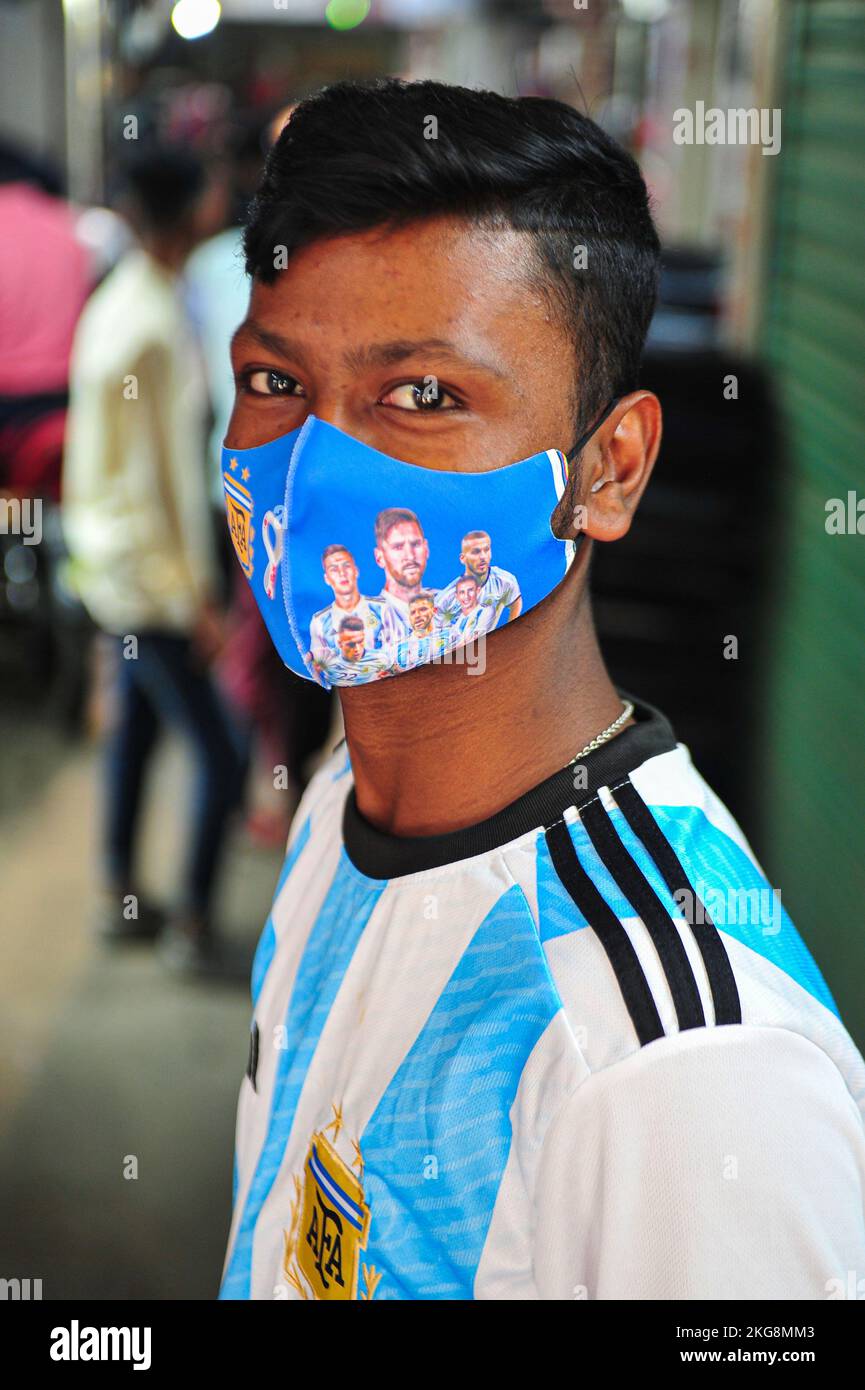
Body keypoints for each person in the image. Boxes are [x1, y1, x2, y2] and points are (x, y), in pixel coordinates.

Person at [219, 80, 865, 1300]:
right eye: (275, 381)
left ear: (609, 470)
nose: (314, 468)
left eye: (424, 396)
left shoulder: (676, 1069)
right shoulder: (344, 799)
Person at [62, 145, 246, 977]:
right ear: (189, 211)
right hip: (150, 580)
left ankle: (119, 897)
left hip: (115, 570)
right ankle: (193, 922)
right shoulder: (154, 324)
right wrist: (197, 596)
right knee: (222, 753)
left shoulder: (120, 301)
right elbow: (161, 475)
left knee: (135, 736)